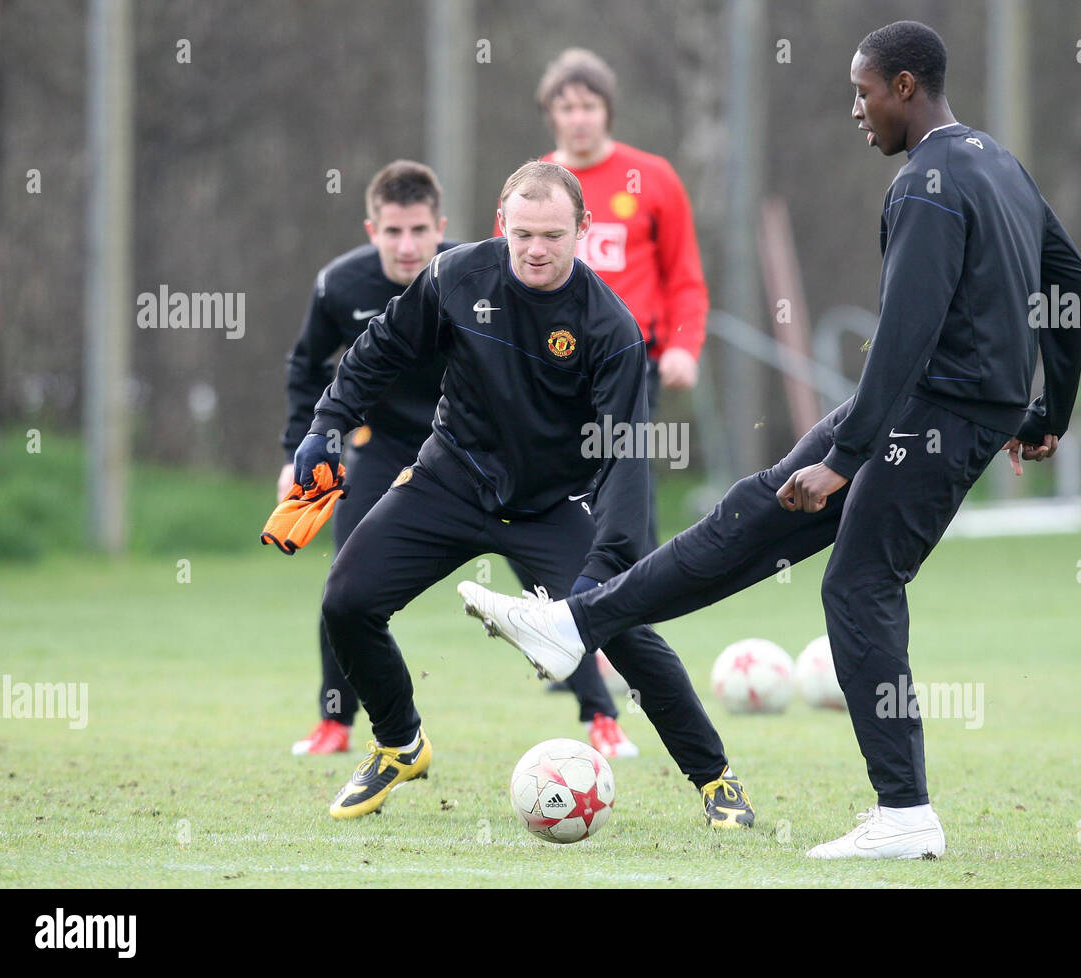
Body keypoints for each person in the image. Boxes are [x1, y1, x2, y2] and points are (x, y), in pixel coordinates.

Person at [459, 21, 1081, 860]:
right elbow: (1072, 280)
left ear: (906, 86)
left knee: (860, 586)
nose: (856, 110)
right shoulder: (996, 162)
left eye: (864, 92)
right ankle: (576, 625)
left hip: (939, 417)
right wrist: (1050, 411)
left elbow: (905, 336)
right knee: (753, 514)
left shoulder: (927, 187)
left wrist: (845, 459)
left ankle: (904, 813)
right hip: (941, 408)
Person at [291, 161, 754, 825]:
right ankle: (400, 743)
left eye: (553, 235)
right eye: (523, 233)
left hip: (551, 506)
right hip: (447, 481)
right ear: (501, 226)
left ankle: (715, 781)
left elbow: (625, 455)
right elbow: (380, 349)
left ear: (584, 231)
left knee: (625, 632)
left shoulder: (610, 328)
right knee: (346, 600)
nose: (536, 249)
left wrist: (603, 570)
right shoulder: (455, 278)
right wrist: (326, 428)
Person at [278, 160, 637, 760]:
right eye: (393, 232)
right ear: (372, 231)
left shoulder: (474, 271)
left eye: (419, 230)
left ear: (440, 226)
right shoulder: (339, 285)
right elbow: (309, 367)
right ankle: (335, 721)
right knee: (347, 580)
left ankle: (599, 712)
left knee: (564, 594)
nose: (407, 244)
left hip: (485, 448)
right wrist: (306, 444)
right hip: (390, 447)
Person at [513, 48, 710, 553]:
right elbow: (509, 279)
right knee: (553, 478)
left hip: (629, 359)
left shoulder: (653, 177)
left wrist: (684, 346)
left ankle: (635, 602)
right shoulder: (532, 188)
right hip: (549, 360)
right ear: (550, 114)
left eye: (589, 106)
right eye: (567, 107)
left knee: (625, 474)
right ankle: (565, 598)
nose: (578, 118)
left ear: (607, 111)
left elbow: (684, 275)